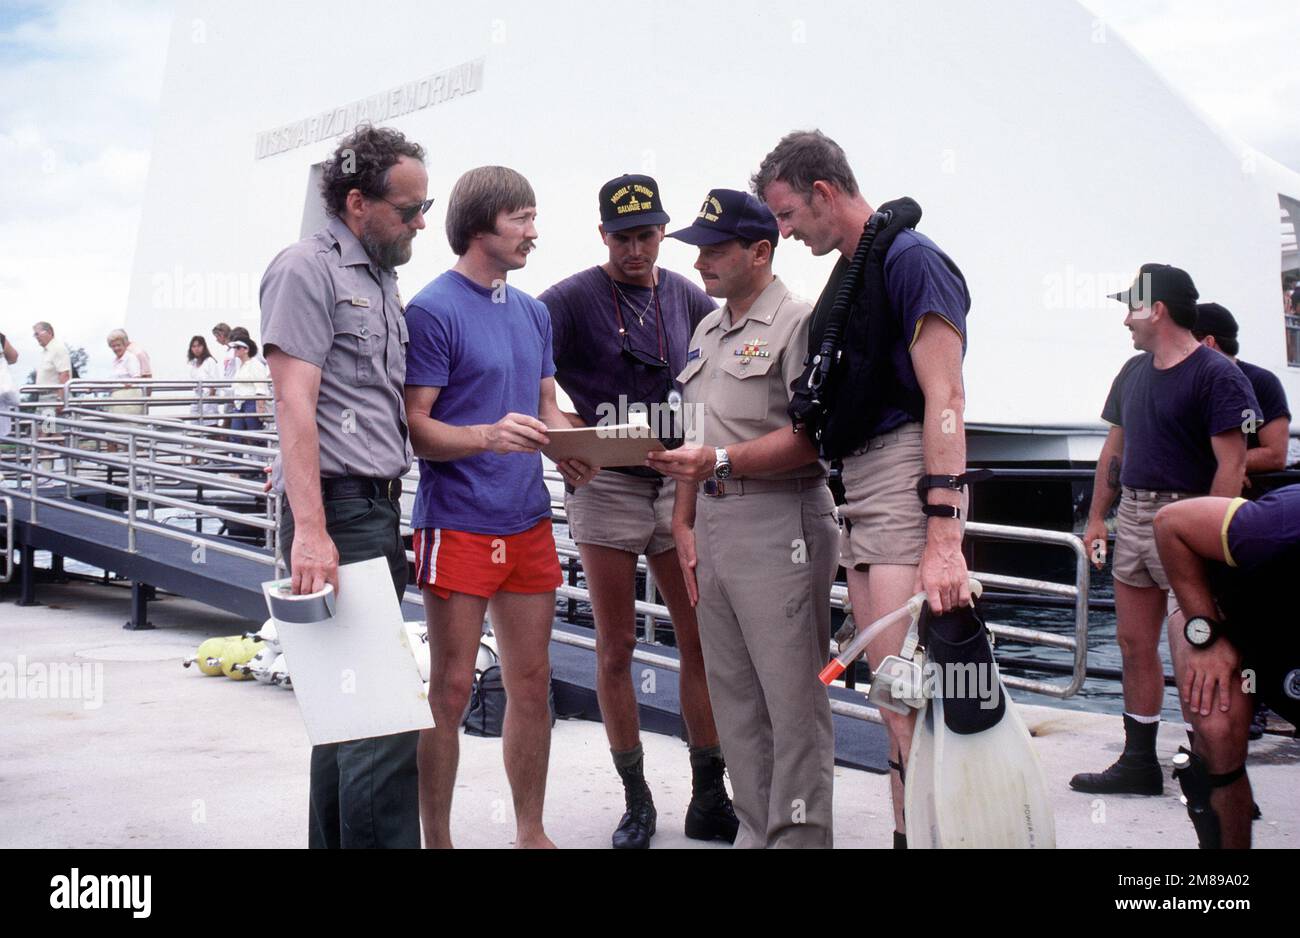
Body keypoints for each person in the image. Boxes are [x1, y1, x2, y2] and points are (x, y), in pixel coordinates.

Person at [752, 130, 973, 848]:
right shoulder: (848, 280)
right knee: (896, 696)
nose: (784, 234)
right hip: (863, 489)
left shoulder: (911, 262)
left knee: (911, 697)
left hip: (903, 478)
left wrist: (945, 539)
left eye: (786, 215)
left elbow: (945, 395)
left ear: (822, 192)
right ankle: (912, 834)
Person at [537, 174, 735, 848]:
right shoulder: (565, 299)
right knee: (617, 645)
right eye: (623, 237)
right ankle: (636, 796)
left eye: (647, 234)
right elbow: (530, 375)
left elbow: (716, 381)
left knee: (699, 640)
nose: (636, 249)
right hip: (607, 483)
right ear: (603, 236)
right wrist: (564, 437)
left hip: (677, 481)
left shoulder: (685, 293)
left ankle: (710, 792)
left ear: (661, 231)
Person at [405, 165, 595, 850]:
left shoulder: (534, 311)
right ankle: (438, 840)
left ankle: (530, 831)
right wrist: (487, 434)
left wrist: (571, 448)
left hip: (527, 519)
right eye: (522, 218)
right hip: (455, 520)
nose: (533, 231)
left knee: (533, 681)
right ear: (481, 224)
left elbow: (545, 406)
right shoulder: (430, 310)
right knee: (451, 689)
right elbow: (416, 425)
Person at [647, 188, 838, 848]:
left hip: (780, 521)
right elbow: (697, 437)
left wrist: (719, 463)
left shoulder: (802, 323)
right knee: (734, 702)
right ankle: (758, 832)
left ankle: (798, 842)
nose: (701, 263)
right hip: (713, 524)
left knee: (793, 705)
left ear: (761, 251)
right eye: (697, 251)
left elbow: (814, 441)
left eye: (716, 250)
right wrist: (682, 523)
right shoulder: (707, 329)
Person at [261, 123, 430, 849]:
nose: (421, 221)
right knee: (378, 727)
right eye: (409, 208)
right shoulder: (307, 269)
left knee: (345, 723)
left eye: (427, 206)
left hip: (372, 510)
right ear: (358, 203)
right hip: (336, 512)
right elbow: (294, 403)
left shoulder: (381, 281)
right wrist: (312, 532)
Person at [1070, 264, 1259, 796]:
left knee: (1194, 646)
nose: (1125, 319)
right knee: (1133, 642)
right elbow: (1116, 449)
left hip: (1187, 520)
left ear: (1157, 309)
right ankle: (1139, 762)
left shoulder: (1219, 375)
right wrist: (1097, 519)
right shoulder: (1132, 373)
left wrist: (1212, 535)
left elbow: (1233, 465)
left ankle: (1215, 768)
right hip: (1132, 513)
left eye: (1132, 306)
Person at [1153, 485, 1300, 848]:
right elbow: (1172, 523)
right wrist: (1207, 637)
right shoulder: (1275, 527)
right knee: (1218, 728)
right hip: (1221, 616)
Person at [1192, 303, 1291, 476]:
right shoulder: (1187, 383)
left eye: (1187, 340)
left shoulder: (1261, 382)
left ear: (1208, 342)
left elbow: (1275, 454)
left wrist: (1229, 469)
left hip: (1243, 496)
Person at [228, 337, 270, 434]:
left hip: (251, 402)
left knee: (254, 434)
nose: (235, 350)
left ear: (246, 349)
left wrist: (260, 407)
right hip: (239, 403)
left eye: (238, 347)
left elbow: (261, 386)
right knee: (236, 435)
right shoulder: (240, 366)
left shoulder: (256, 365)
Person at [106, 329, 145, 417]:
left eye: (118, 345)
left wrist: (126, 385)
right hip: (117, 400)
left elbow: (136, 379)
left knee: (127, 425)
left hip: (128, 400)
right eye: (113, 346)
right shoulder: (115, 362)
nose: (116, 348)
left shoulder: (130, 358)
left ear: (125, 344)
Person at [186, 335, 222, 426]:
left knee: (210, 426)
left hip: (208, 398)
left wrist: (210, 399)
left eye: (199, 346)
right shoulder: (193, 363)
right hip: (196, 398)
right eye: (194, 346)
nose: (196, 349)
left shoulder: (210, 361)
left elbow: (214, 383)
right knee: (194, 427)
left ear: (204, 347)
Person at [0, 329, 19, 440]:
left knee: (47, 431)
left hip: (50, 401)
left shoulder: (56, 349)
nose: (36, 337)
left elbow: (64, 375)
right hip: (46, 401)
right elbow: (13, 357)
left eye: (37, 333)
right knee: (43, 432)